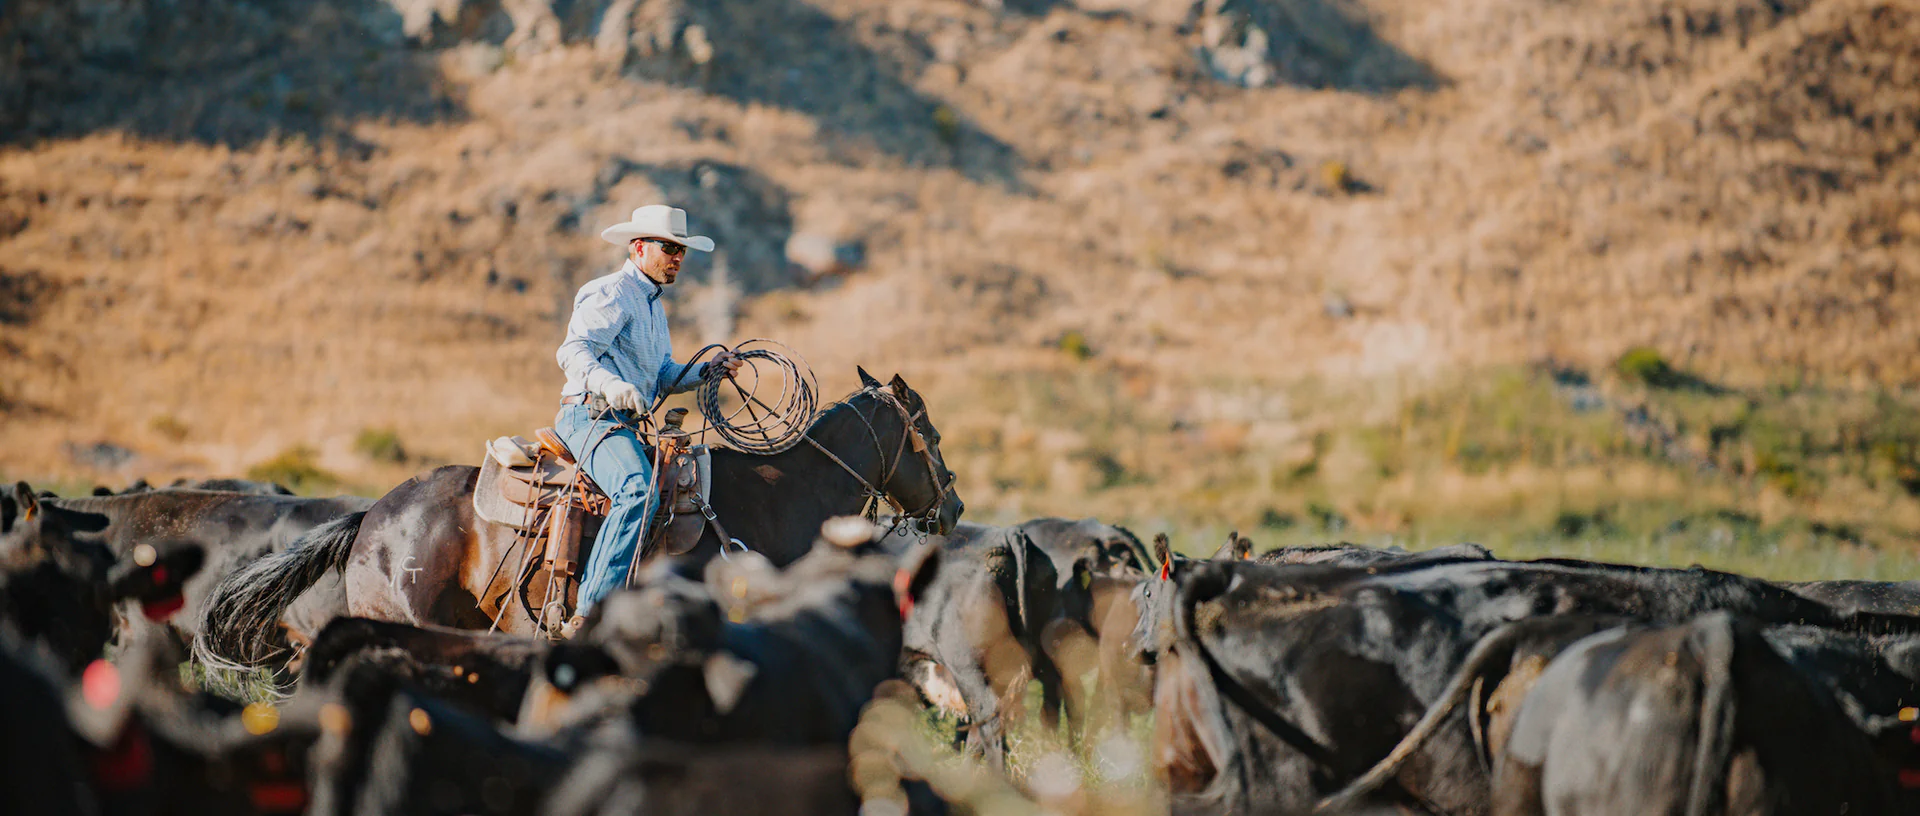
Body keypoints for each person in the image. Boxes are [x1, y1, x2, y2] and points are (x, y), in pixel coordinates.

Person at [554, 204, 743, 636]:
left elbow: (662, 375)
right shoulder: (611, 292)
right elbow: (573, 351)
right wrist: (609, 384)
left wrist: (709, 369)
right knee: (637, 489)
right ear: (638, 248)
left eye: (681, 250)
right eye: (669, 248)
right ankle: (589, 614)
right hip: (590, 416)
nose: (677, 258)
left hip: (623, 422)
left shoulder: (654, 308)